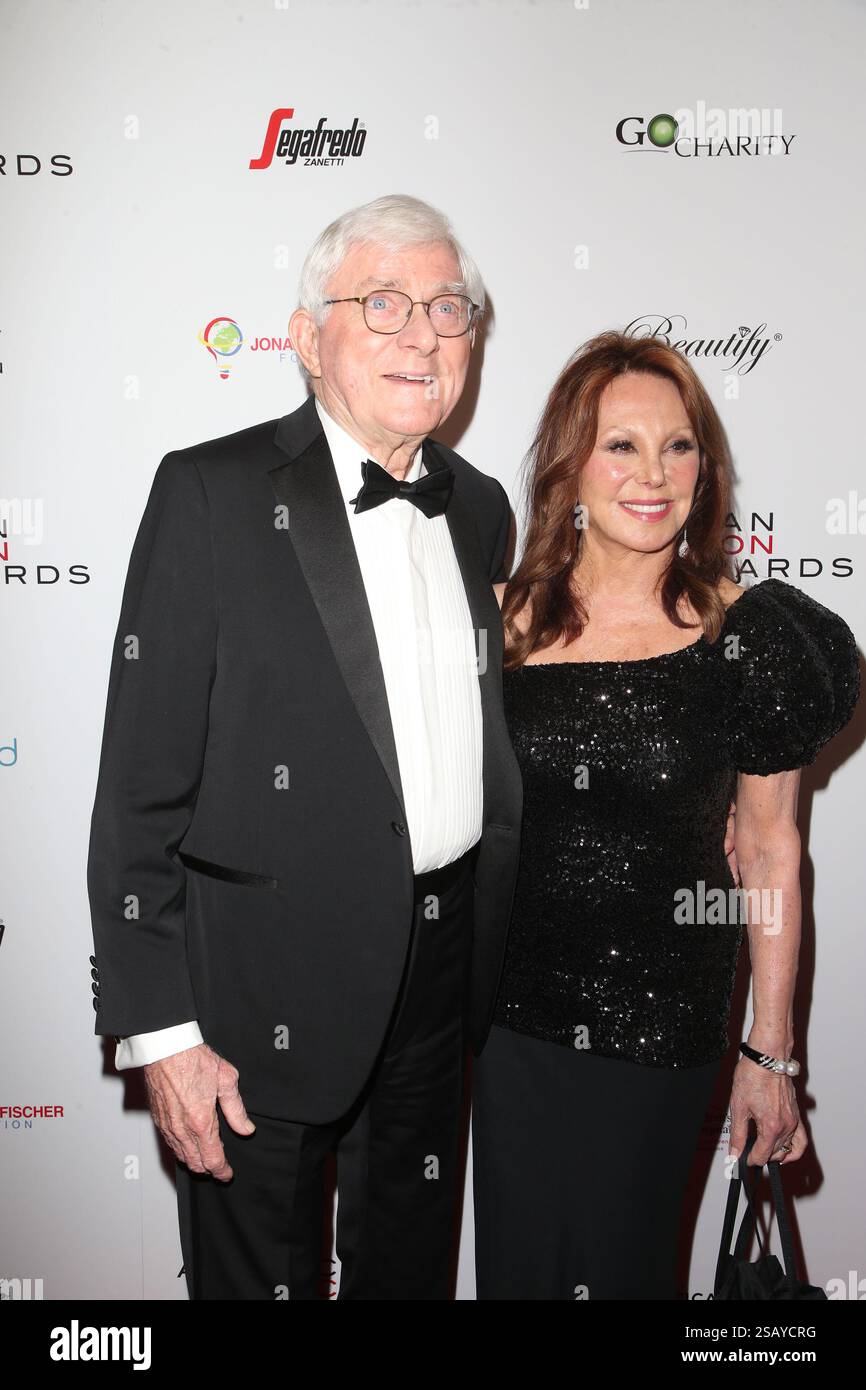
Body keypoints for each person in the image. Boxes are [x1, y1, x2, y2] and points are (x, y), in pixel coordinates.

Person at [87, 193, 523, 1300]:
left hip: (438, 978)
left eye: (445, 306)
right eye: (381, 301)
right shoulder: (210, 495)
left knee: (409, 1274)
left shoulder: (476, 510)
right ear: (304, 338)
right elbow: (138, 796)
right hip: (253, 1002)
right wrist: (162, 1031)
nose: (420, 333)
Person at [471, 330, 860, 1301]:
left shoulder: (747, 637)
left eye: (676, 445)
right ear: (568, 464)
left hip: (660, 1029)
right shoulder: (495, 625)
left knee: (624, 1275)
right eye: (620, 445)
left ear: (704, 466)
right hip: (507, 1024)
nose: (653, 473)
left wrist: (767, 1051)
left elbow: (769, 855)